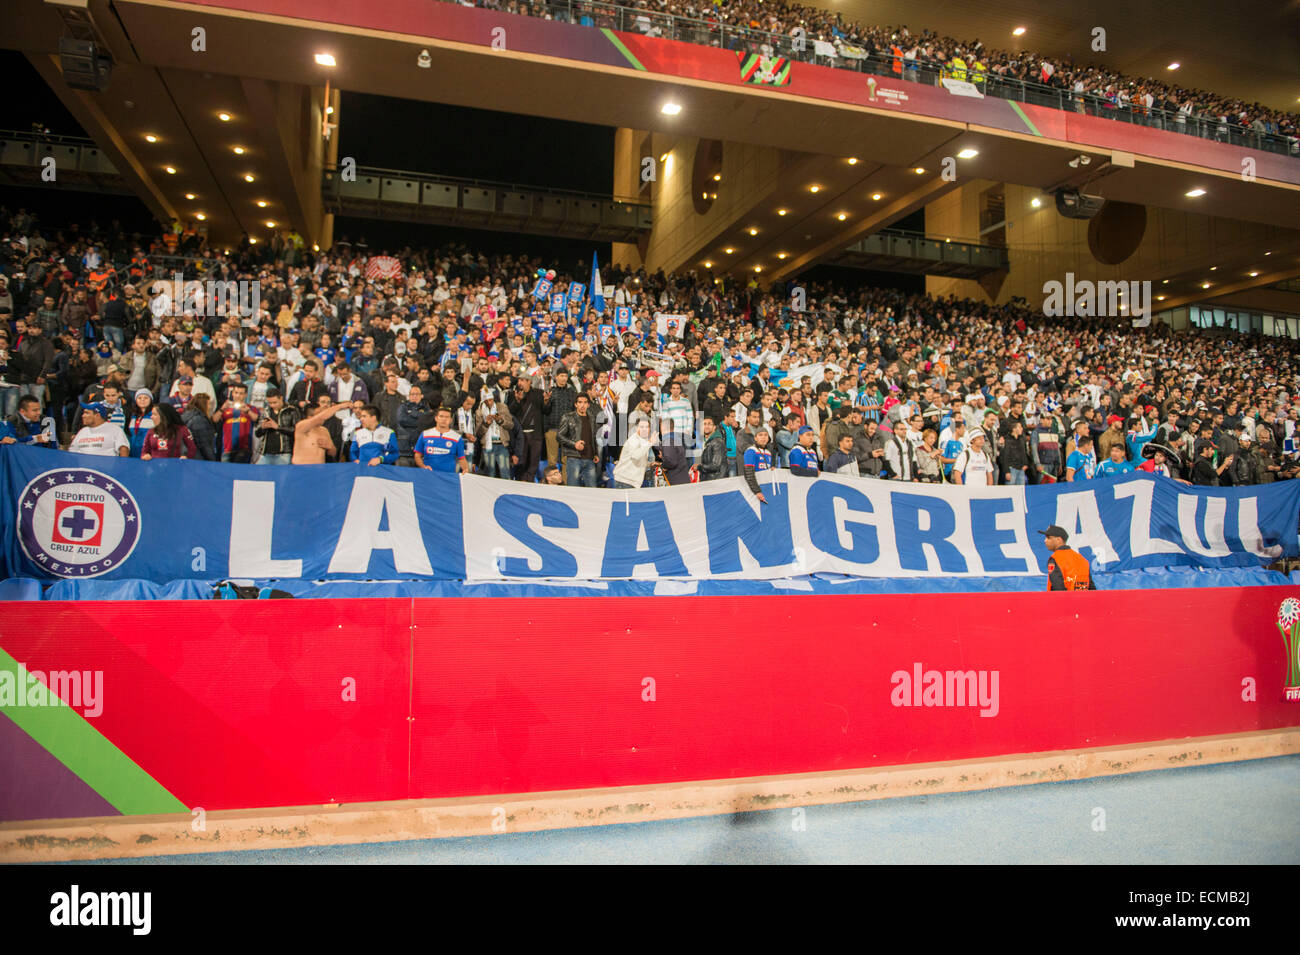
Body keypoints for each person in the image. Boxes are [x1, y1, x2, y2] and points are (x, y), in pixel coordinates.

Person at [558, 393, 601, 487]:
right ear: (575, 404)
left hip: (590, 459)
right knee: (573, 490)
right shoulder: (568, 417)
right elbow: (559, 436)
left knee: (592, 491)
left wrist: (595, 453)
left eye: (585, 402)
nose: (583, 405)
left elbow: (593, 437)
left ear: (588, 405)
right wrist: (574, 444)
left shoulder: (592, 417)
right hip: (574, 458)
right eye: (580, 402)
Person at [1038, 524, 1096, 591]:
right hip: (1083, 600)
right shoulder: (1082, 559)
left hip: (1064, 600)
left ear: (1058, 540)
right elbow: (1091, 587)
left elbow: (1058, 587)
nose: (1045, 541)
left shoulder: (1055, 558)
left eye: (1048, 538)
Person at [414, 407, 469, 473]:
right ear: (436, 418)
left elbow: (462, 459)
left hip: (448, 477)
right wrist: (423, 466)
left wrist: (466, 470)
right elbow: (417, 455)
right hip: (428, 475)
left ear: (451, 420)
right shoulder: (425, 434)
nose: (444, 419)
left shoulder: (457, 438)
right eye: (441, 416)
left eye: (447, 417)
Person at [291, 400, 346, 465]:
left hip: (320, 469)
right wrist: (340, 406)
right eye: (319, 414)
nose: (323, 417)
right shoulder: (301, 427)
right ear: (310, 416)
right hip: (301, 468)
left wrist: (330, 447)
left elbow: (333, 453)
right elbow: (321, 418)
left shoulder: (324, 430)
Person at [614, 417, 657, 489]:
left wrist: (649, 464)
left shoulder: (643, 441)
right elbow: (635, 456)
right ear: (637, 428)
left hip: (631, 482)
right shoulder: (633, 440)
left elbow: (638, 459)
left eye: (647, 427)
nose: (644, 429)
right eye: (642, 427)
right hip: (625, 482)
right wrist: (650, 443)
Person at [740, 425, 774, 502]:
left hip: (765, 487)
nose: (763, 437)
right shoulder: (751, 451)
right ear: (755, 438)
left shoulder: (768, 452)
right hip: (754, 490)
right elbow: (749, 473)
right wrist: (757, 491)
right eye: (760, 435)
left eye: (766, 435)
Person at [694, 416, 727, 481]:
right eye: (704, 424)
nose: (706, 426)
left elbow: (715, 465)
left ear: (714, 427)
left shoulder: (717, 442)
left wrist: (699, 467)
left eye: (709, 424)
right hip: (709, 478)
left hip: (716, 480)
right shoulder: (705, 441)